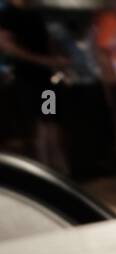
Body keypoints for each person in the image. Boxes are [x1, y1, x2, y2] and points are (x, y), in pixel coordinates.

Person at [0, 0, 70, 174]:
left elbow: (48, 42)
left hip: (45, 79)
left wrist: (55, 61)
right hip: (26, 79)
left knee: (50, 121)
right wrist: (43, 61)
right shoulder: (7, 14)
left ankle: (58, 169)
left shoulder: (35, 13)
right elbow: (7, 46)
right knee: (39, 124)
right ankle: (46, 170)